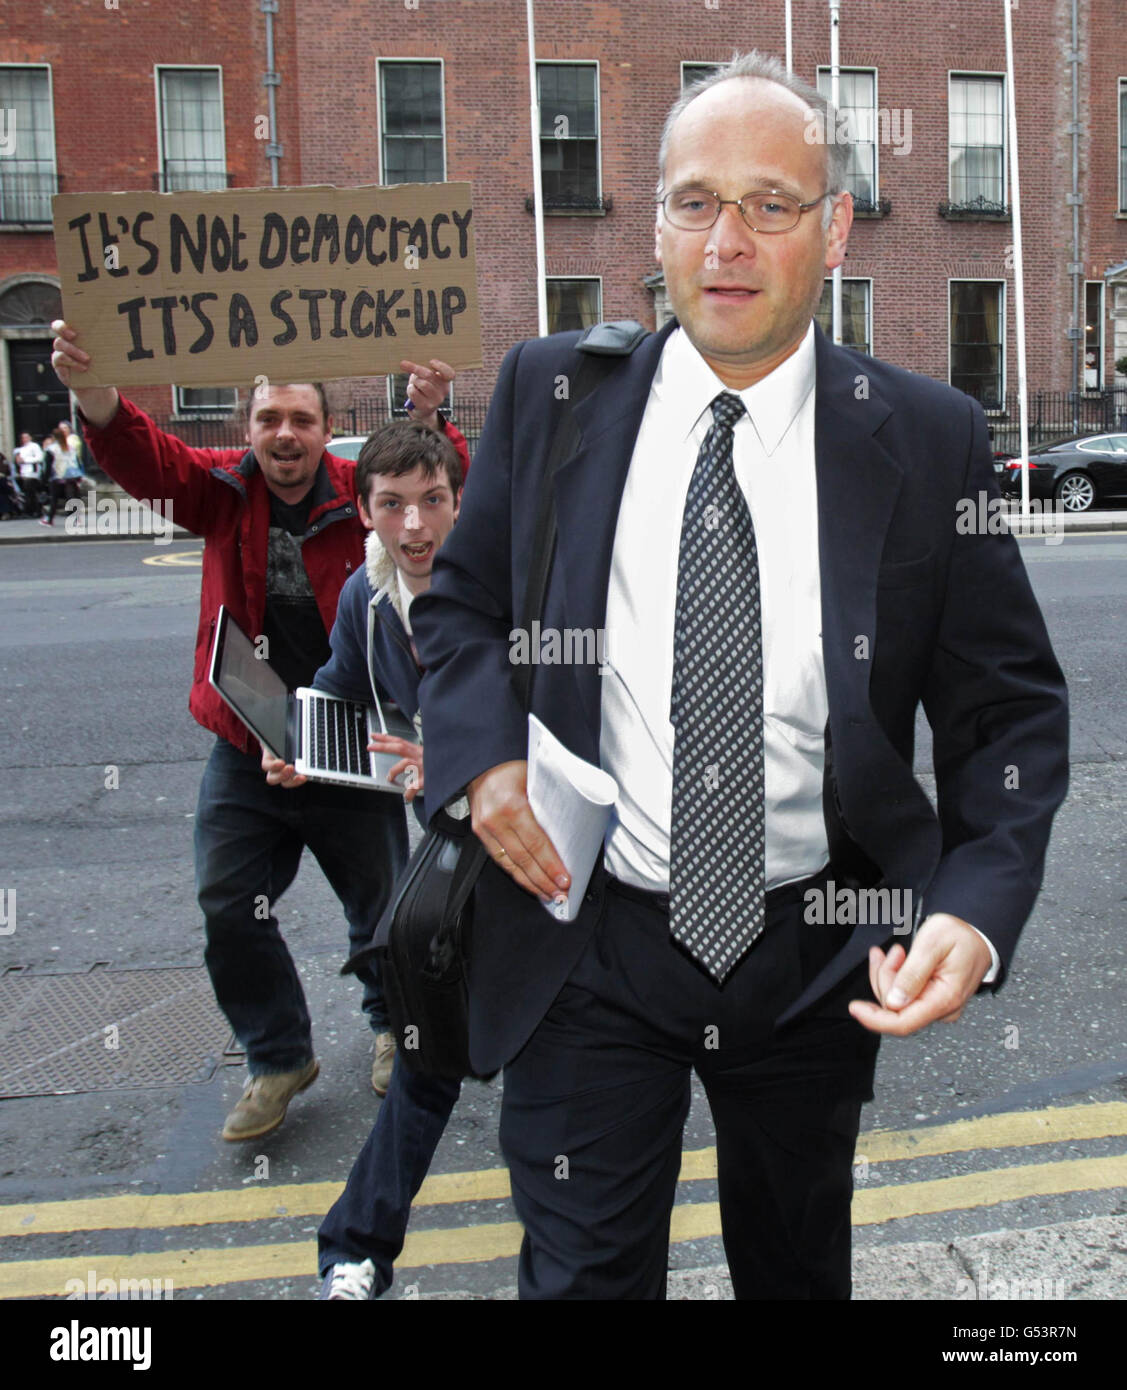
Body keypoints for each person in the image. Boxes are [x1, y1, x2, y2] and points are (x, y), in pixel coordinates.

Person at [410, 51, 1070, 1300]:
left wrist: (973, 910)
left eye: (770, 205)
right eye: (693, 201)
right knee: (582, 1281)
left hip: (815, 945)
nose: (725, 239)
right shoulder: (546, 397)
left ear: (831, 231)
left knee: (794, 1267)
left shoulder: (929, 439)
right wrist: (482, 752)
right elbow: (462, 609)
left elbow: (1006, 714)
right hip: (586, 935)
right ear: (653, 221)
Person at [48, 321, 469, 1140]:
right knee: (229, 906)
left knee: (382, 904)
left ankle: (392, 1027)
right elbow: (146, 462)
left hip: (352, 737)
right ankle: (278, 1056)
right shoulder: (219, 489)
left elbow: (436, 493)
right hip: (250, 747)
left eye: (302, 420)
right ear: (248, 430)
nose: (285, 435)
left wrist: (432, 415)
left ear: (323, 430)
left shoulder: (361, 495)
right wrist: (95, 395)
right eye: (269, 418)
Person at [260, 419, 467, 1300]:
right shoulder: (366, 597)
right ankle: (356, 1252)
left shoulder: (505, 588)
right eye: (393, 505)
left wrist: (449, 757)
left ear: (461, 503)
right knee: (426, 1048)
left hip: (549, 850)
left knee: (534, 1068)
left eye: (433, 502)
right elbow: (344, 685)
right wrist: (301, 740)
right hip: (457, 853)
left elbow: (570, 715)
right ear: (364, 510)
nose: (415, 526)